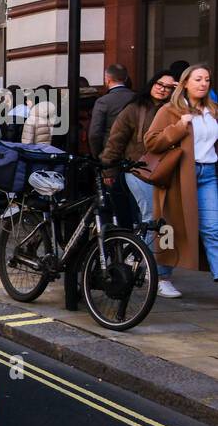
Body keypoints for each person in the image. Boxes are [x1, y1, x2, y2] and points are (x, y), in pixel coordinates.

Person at [144, 64, 218, 297]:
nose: (203, 84)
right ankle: (162, 276)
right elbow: (151, 141)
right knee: (170, 227)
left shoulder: (213, 110)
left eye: (206, 79)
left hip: (208, 174)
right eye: (197, 79)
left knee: (212, 228)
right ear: (185, 83)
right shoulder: (170, 110)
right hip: (178, 175)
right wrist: (178, 127)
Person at [103, 70, 177, 289]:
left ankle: (156, 268)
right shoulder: (135, 109)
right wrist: (108, 170)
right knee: (154, 217)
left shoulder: (177, 111)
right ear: (151, 84)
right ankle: (149, 268)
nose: (163, 89)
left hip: (169, 173)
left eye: (169, 87)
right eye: (159, 84)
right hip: (138, 171)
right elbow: (115, 141)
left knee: (167, 225)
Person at [89, 64, 134, 158]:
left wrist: (97, 155)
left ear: (107, 79)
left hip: (110, 152)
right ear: (126, 79)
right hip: (134, 153)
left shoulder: (103, 101)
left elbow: (94, 134)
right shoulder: (137, 98)